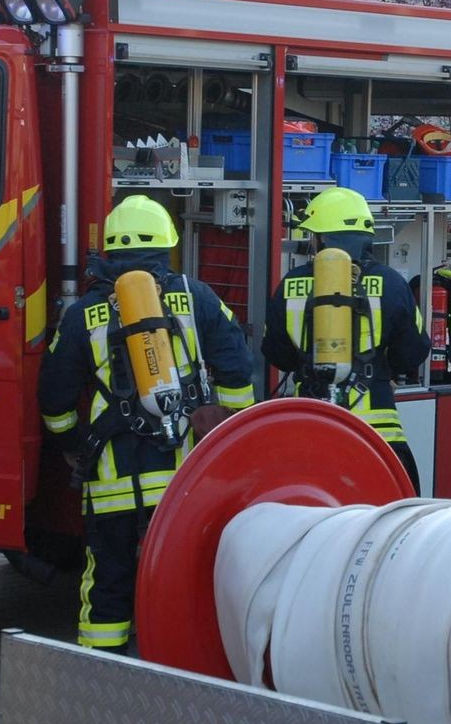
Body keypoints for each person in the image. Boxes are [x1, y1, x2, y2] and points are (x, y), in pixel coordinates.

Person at [39, 195, 257, 653]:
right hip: (184, 482)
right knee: (185, 580)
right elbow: (237, 369)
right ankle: (182, 668)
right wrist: (228, 439)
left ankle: (101, 673)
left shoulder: (82, 314)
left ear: (109, 251)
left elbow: (54, 398)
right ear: (166, 247)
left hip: (112, 482)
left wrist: (73, 444)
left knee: (107, 586)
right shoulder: (197, 297)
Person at [263, 187, 430, 491]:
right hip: (378, 432)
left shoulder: (290, 284)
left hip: (312, 424)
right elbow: (414, 351)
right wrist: (382, 370)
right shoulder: (392, 283)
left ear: (322, 238)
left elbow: (277, 354)